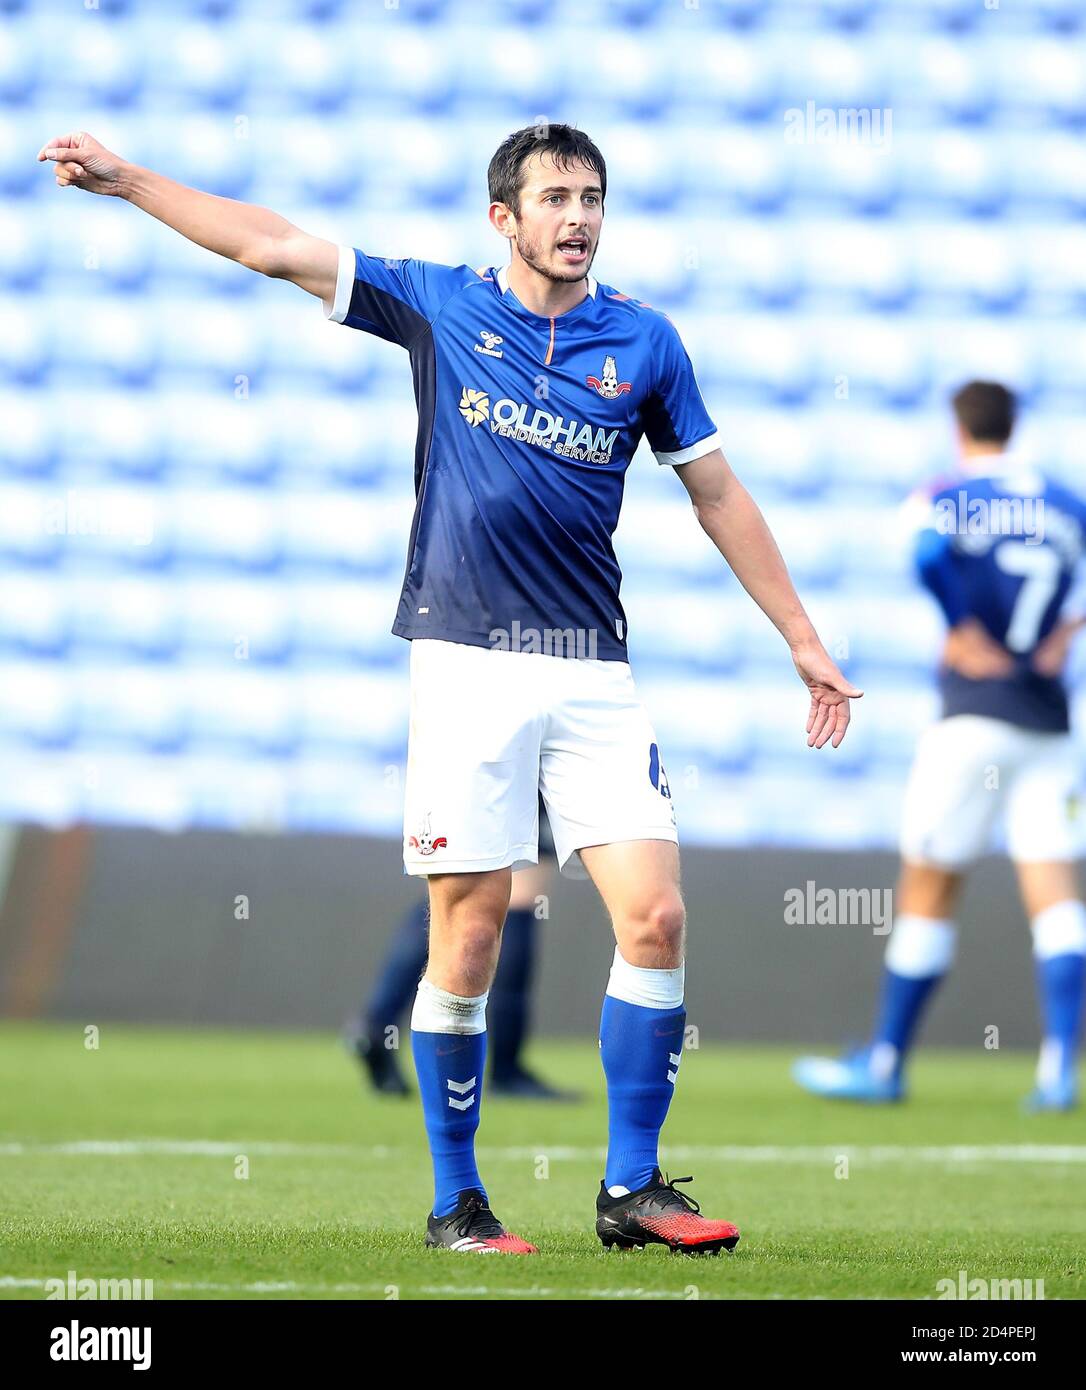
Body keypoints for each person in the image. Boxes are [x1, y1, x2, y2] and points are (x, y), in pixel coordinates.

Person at [40, 122, 860, 1255]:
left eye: (592, 196)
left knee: (657, 917)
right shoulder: (439, 305)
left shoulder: (647, 343)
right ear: (503, 217)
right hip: (467, 661)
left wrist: (802, 636)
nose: (577, 215)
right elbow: (272, 247)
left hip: (594, 669)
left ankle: (633, 1188)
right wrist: (127, 180)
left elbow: (717, 494)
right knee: (469, 939)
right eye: (556, 196)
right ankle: (458, 1203)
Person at [794, 382, 1086, 1112]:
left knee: (930, 886)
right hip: (1049, 722)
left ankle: (886, 1061)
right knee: (1055, 895)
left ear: (960, 427)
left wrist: (962, 627)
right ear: (1015, 425)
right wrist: (1060, 637)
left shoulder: (947, 493)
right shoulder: (1064, 502)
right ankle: (1057, 1069)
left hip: (973, 717)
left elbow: (926, 555)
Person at [349, 797, 578, 1101]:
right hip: (514, 758)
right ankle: (506, 1068)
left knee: (456, 895)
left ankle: (377, 1023)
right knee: (519, 893)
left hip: (459, 762)